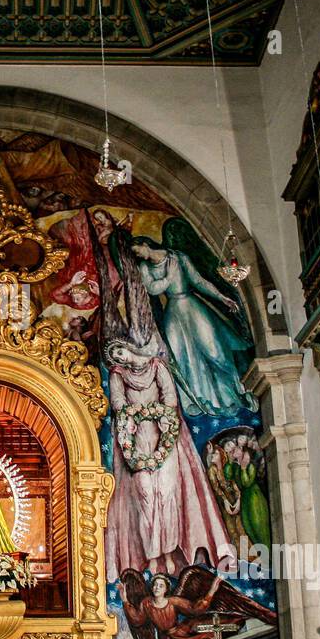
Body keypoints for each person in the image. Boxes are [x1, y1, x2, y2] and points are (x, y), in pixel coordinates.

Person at [105, 339, 231, 580]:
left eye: (120, 351)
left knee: (167, 494)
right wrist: (132, 415)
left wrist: (163, 414)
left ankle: (171, 553)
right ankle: (152, 557)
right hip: (136, 439)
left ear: (129, 347)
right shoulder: (118, 375)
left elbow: (170, 396)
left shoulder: (156, 366)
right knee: (146, 499)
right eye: (115, 357)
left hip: (164, 435)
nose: (120, 358)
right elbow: (118, 402)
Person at [131, 235, 254, 416]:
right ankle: (200, 402)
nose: (139, 255)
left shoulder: (178, 257)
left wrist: (221, 297)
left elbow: (198, 281)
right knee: (183, 358)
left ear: (145, 244)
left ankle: (238, 391)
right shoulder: (144, 267)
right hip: (173, 313)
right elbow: (153, 289)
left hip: (192, 306)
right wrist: (170, 276)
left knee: (214, 351)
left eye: (137, 251)